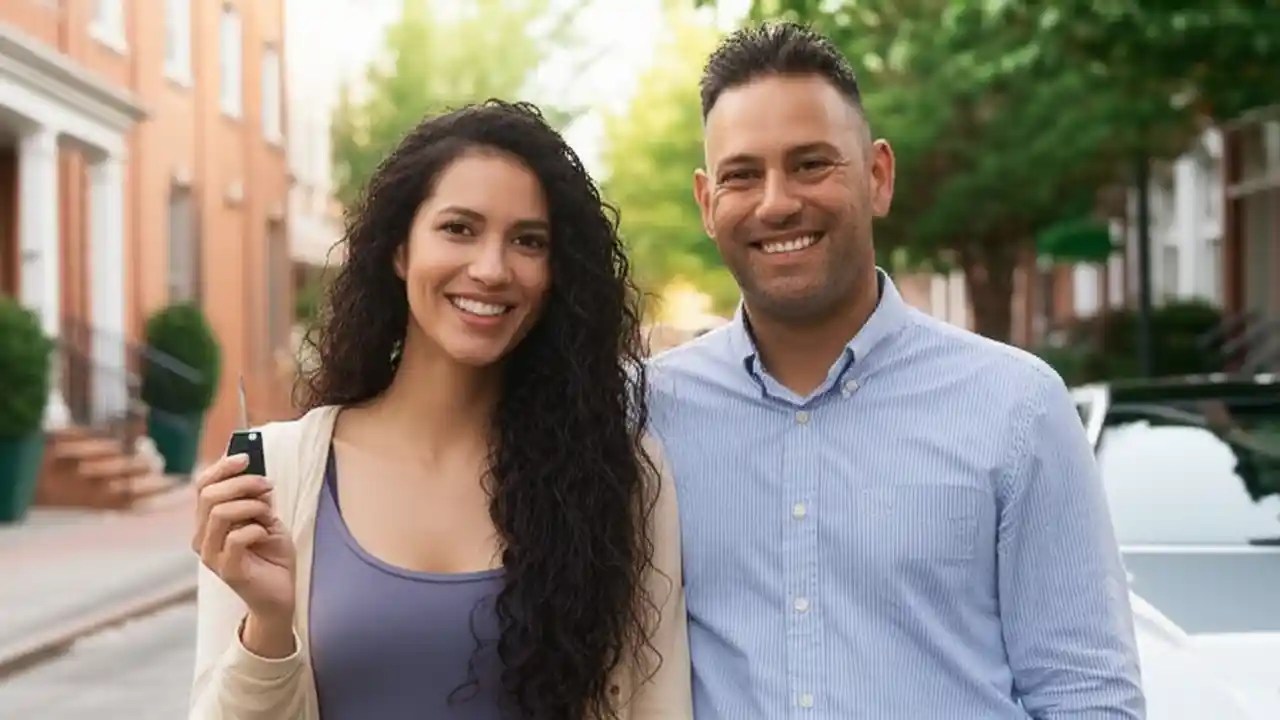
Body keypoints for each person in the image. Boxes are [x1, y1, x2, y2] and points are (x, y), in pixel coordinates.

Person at [646, 22, 1145, 719]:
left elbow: (1086, 695)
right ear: (707, 203)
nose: (776, 201)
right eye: (742, 175)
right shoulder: (644, 417)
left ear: (878, 176)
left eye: (811, 163)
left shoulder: (1017, 409)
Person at [188, 100, 692, 720]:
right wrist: (268, 625)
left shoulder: (621, 473)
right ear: (401, 251)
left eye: (527, 241)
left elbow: (658, 706)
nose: (491, 268)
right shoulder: (277, 476)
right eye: (459, 228)